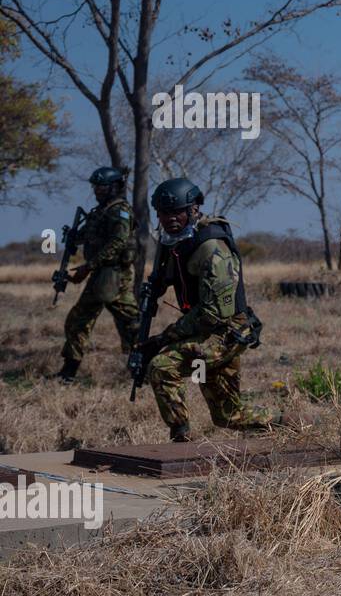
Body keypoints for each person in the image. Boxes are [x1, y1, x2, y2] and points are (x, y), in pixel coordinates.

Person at [137, 178, 274, 442]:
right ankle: (290, 423)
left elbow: (213, 314)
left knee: (161, 366)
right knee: (228, 415)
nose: (170, 218)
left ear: (194, 209)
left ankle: (180, 438)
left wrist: (165, 338)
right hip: (210, 331)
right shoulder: (178, 240)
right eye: (164, 213)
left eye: (177, 211)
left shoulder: (211, 247)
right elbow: (172, 274)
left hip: (226, 332)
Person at [54, 167, 140, 382]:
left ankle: (141, 370)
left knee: (131, 324)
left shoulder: (120, 211)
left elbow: (118, 242)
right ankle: (68, 372)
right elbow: (90, 236)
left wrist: (88, 266)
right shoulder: (100, 211)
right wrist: (74, 237)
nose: (97, 190)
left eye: (102, 186)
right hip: (101, 274)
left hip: (114, 276)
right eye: (95, 186)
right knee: (79, 321)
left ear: (114, 186)